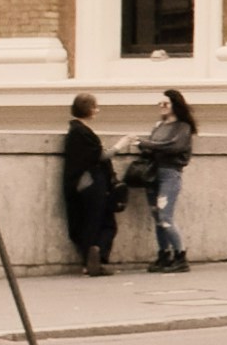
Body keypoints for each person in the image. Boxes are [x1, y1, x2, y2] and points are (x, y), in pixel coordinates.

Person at [131, 90, 197, 271]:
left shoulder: (183, 127)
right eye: (159, 104)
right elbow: (154, 149)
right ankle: (164, 254)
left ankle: (180, 255)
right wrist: (145, 146)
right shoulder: (159, 125)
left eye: (165, 103)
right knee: (157, 217)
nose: (162, 107)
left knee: (165, 216)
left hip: (170, 173)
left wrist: (145, 144)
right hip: (153, 174)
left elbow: (174, 147)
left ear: (175, 105)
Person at [60, 94, 120, 276]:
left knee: (88, 223)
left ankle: (89, 259)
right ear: (88, 109)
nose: (97, 110)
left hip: (81, 186)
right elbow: (98, 156)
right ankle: (96, 256)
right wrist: (120, 146)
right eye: (95, 107)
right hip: (92, 185)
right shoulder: (82, 133)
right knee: (102, 223)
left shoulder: (75, 131)